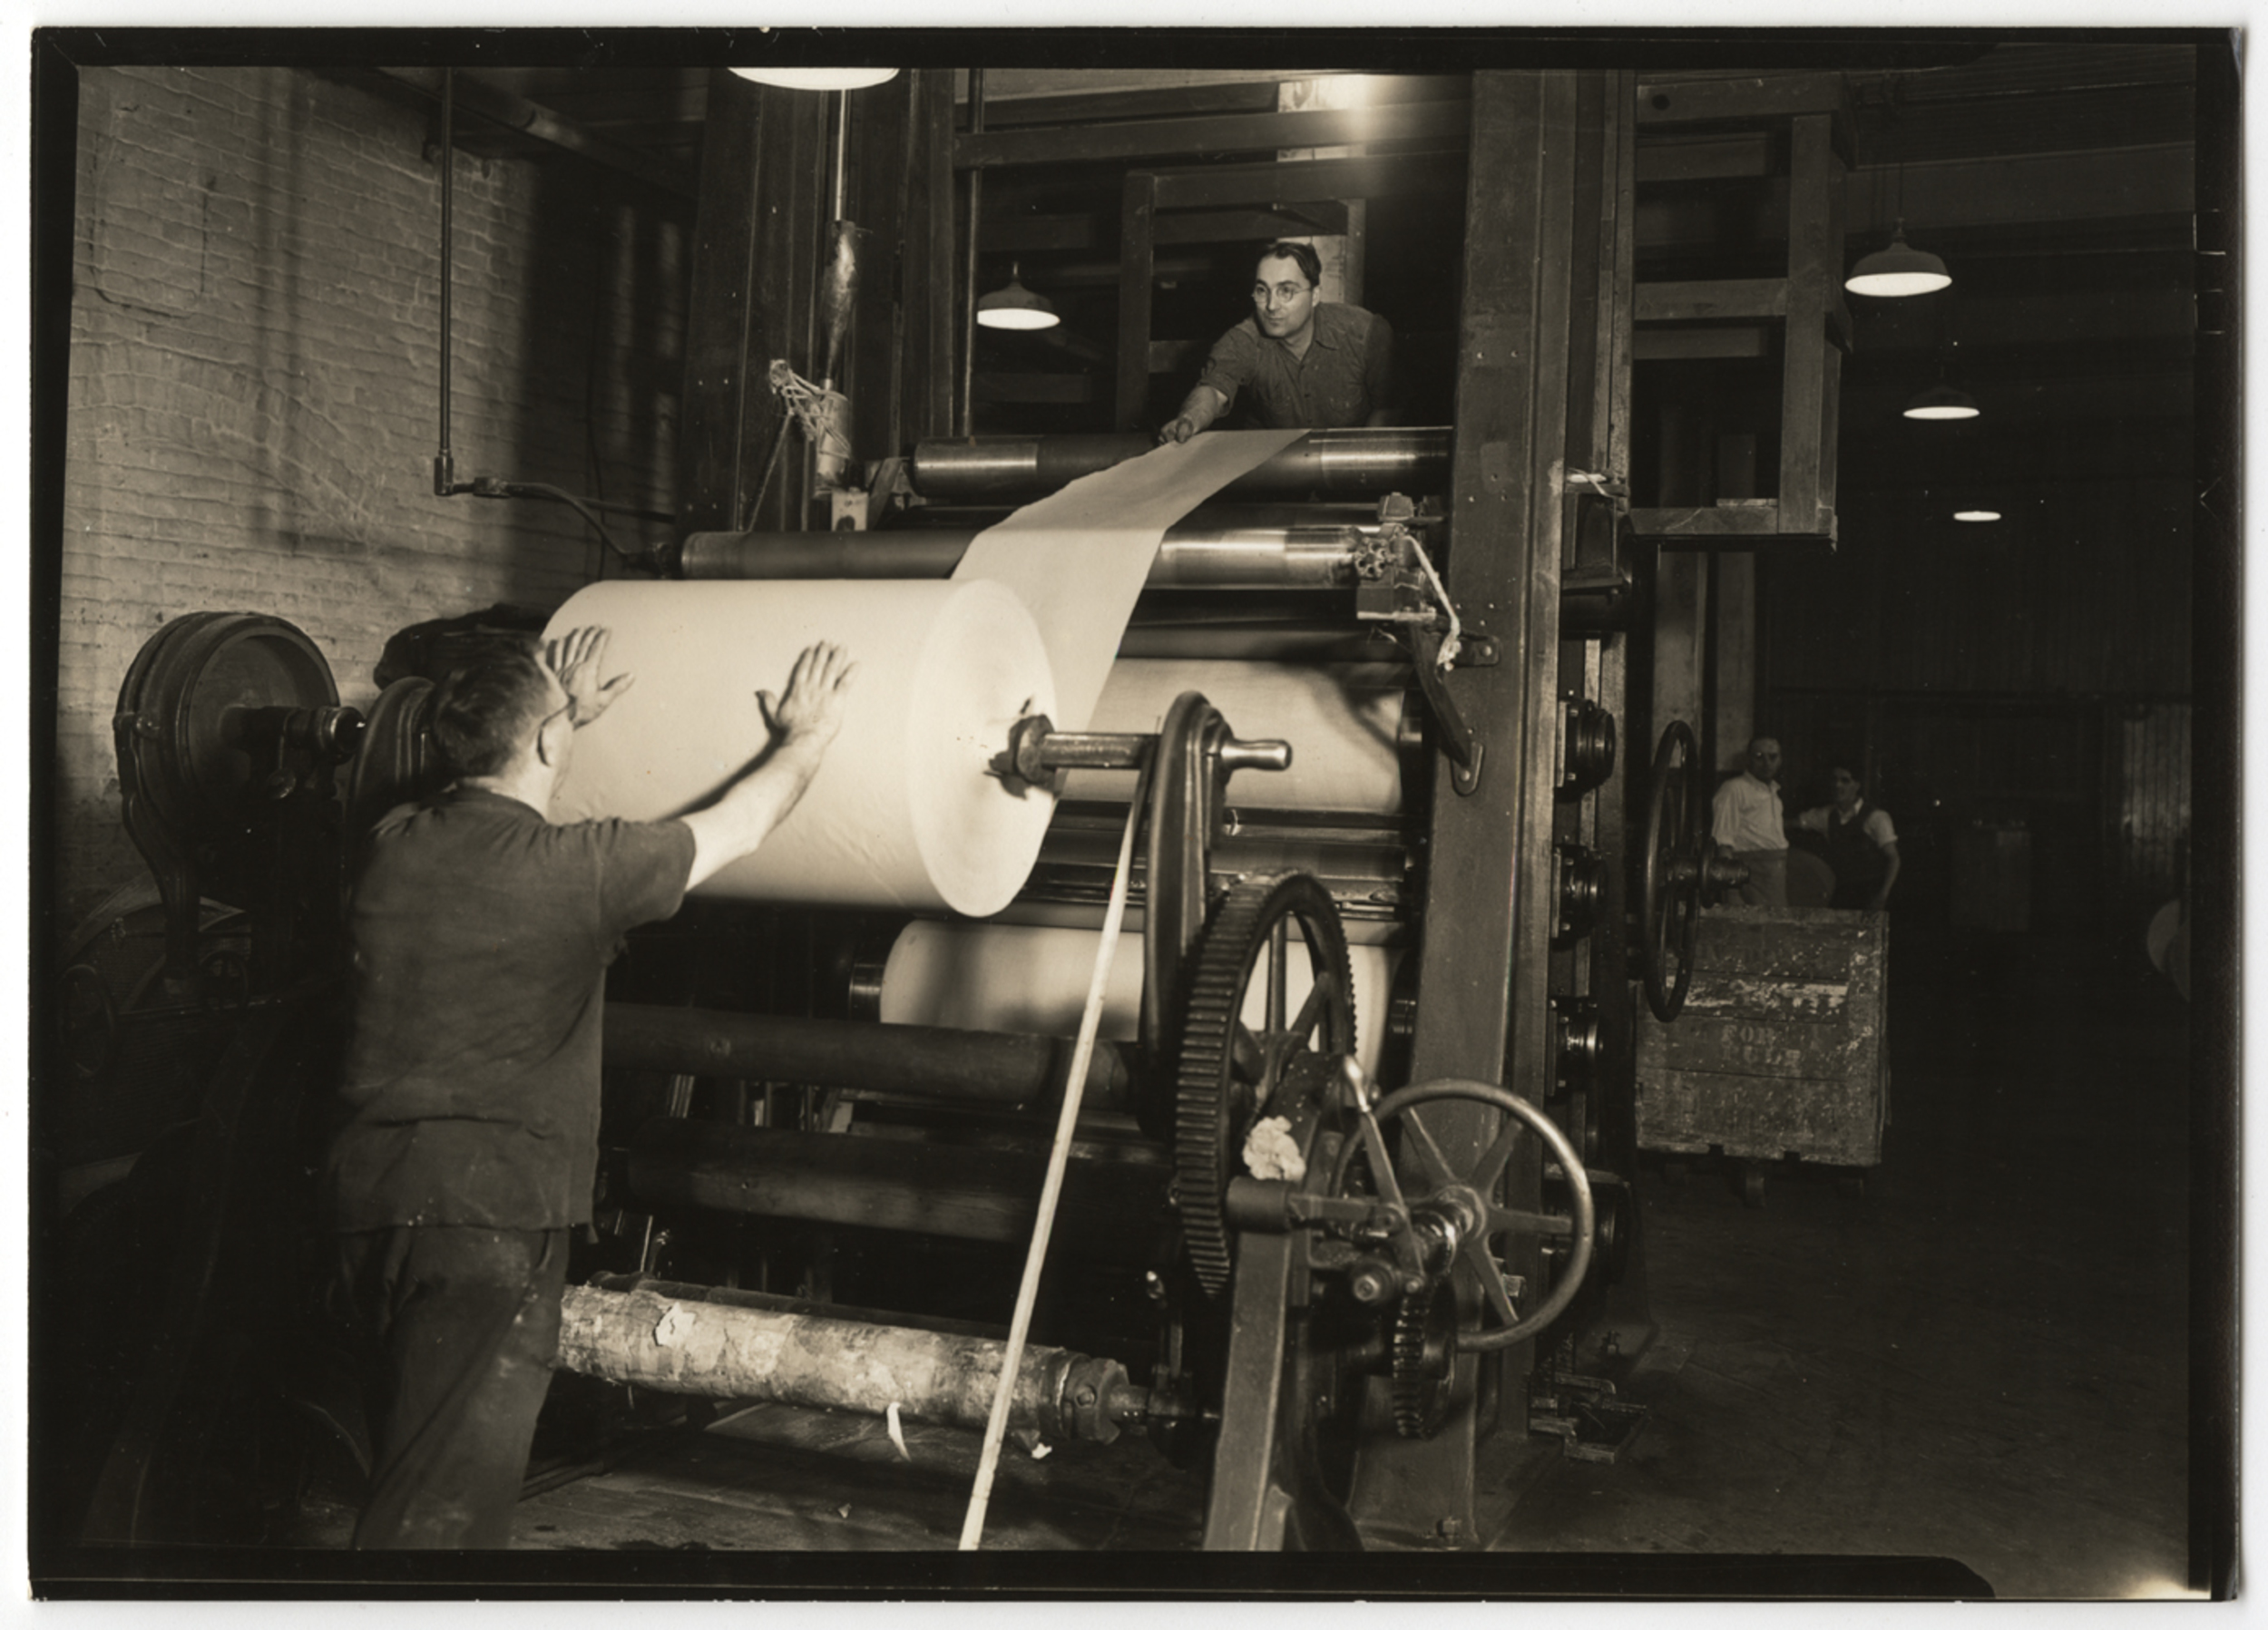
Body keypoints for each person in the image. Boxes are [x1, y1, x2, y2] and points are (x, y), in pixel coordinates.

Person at [326, 625, 854, 1547]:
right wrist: (806, 737)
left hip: (369, 1204)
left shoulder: (389, 844)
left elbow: (488, 800)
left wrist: (555, 718)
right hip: (490, 1222)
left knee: (409, 1464)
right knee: (436, 1521)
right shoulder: (579, 872)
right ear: (541, 743)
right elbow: (743, 824)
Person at [1157, 240, 1396, 442]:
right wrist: (1188, 420)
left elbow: (1387, 408)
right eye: (1262, 291)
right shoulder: (1245, 339)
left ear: (1314, 296)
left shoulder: (1365, 333)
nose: (1271, 306)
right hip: (1277, 471)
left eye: (1286, 291)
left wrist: (1358, 470)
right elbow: (1213, 389)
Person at [1793, 766, 1901, 913]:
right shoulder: (1827, 815)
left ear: (1857, 785)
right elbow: (1796, 823)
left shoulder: (1876, 817)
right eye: (1835, 780)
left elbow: (1893, 858)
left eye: (1845, 781)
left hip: (1871, 892)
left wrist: (1883, 894)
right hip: (1842, 891)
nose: (1838, 785)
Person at [1711, 736, 1789, 908]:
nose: (1767, 763)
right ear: (1748, 759)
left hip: (1773, 872)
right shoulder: (1734, 789)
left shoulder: (1774, 791)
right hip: (1749, 872)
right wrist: (1731, 891)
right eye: (1759, 756)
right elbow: (1723, 842)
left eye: (1773, 757)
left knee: (1776, 925)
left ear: (1780, 760)